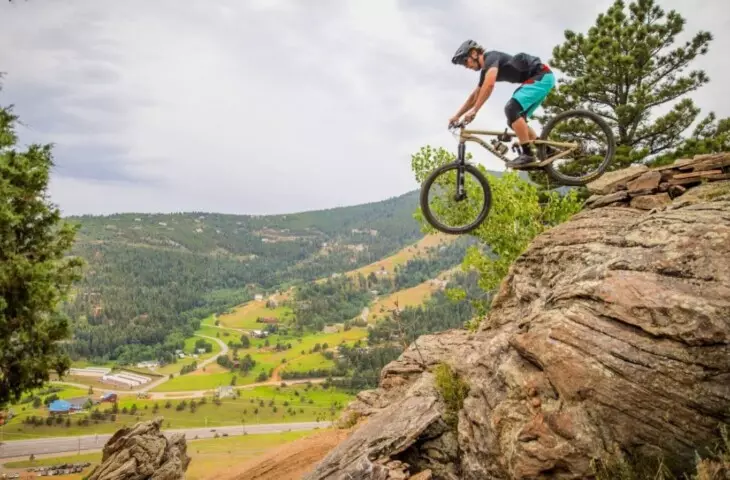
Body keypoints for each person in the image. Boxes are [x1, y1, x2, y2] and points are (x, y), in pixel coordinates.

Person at [448, 39, 555, 168]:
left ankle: (528, 155)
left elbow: (489, 85)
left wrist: (475, 111)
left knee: (511, 109)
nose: (466, 66)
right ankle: (547, 150)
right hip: (540, 80)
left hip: (541, 76)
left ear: (474, 53)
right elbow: (475, 96)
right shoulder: (486, 70)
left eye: (465, 61)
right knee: (513, 121)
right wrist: (457, 116)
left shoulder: (491, 58)